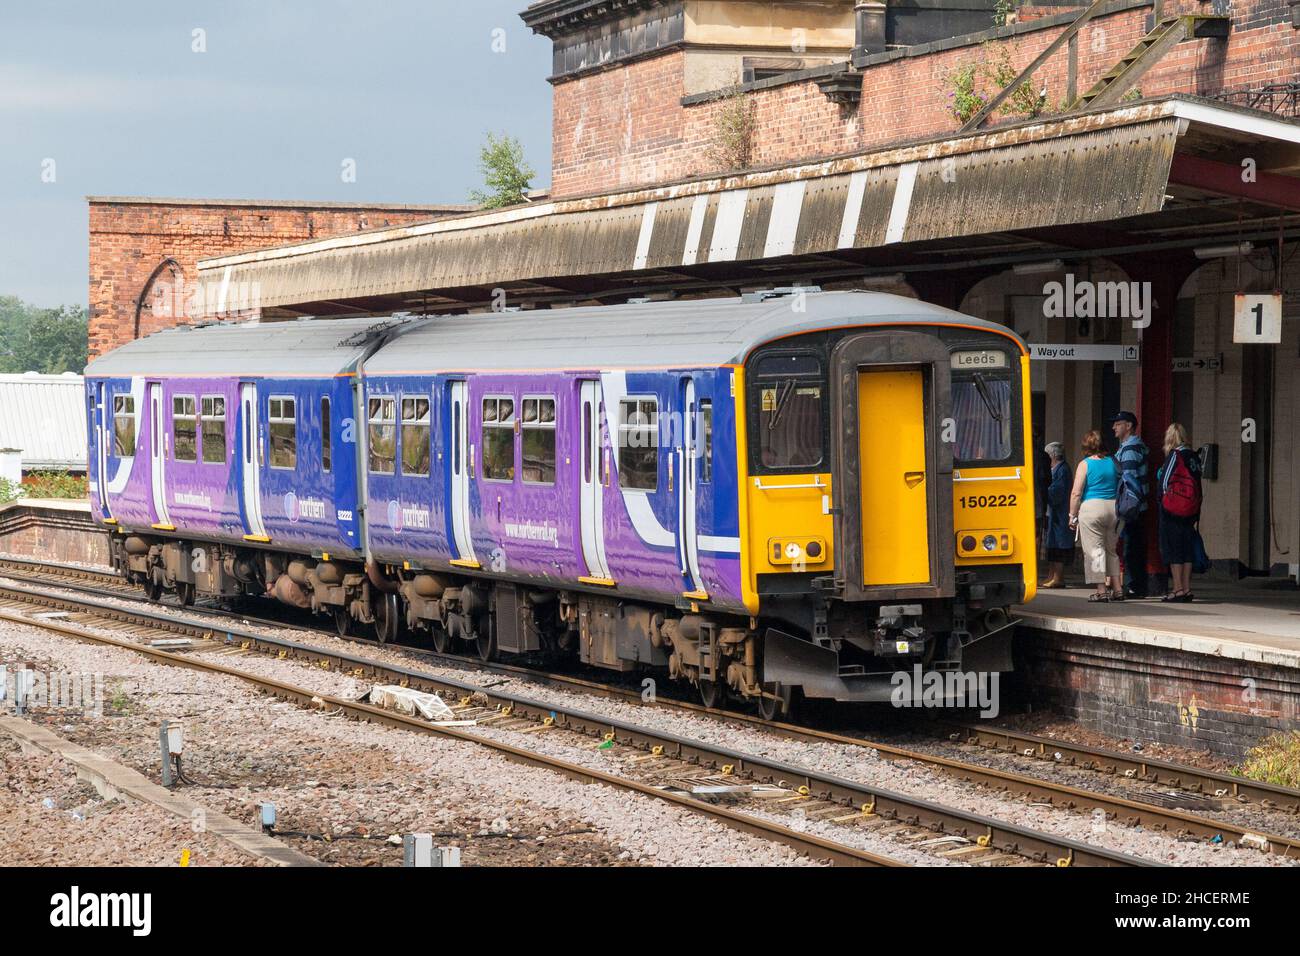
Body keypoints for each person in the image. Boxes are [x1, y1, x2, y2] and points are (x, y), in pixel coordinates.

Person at [1069, 429, 1122, 602]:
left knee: (1095, 551)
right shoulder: (1113, 462)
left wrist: (1072, 515)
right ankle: (1118, 589)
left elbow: (1076, 493)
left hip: (1092, 509)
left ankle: (1101, 590)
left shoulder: (1085, 464)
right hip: (1113, 508)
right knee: (1111, 550)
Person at [1157, 423, 1204, 602]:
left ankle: (1177, 589)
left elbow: (1164, 481)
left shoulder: (1175, 455)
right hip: (1190, 509)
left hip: (1173, 510)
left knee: (1174, 549)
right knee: (1187, 550)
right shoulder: (1193, 457)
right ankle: (1186, 588)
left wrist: (1163, 501)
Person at [1111, 410, 1150, 598]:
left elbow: (1129, 480)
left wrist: (1127, 507)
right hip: (1137, 508)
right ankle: (1135, 585)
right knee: (1133, 547)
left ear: (1128, 426)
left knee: (1130, 549)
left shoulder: (1129, 449)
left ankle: (1133, 586)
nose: (1114, 427)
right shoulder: (1133, 447)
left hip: (1131, 509)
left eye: (1118, 424)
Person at [1040, 441, 1072, 588]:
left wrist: (1044, 492)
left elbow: (1057, 492)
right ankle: (1051, 575)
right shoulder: (1055, 469)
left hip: (1060, 514)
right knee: (1051, 546)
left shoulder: (1062, 470)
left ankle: (1058, 577)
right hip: (1052, 514)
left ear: (1052, 455)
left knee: (1058, 546)